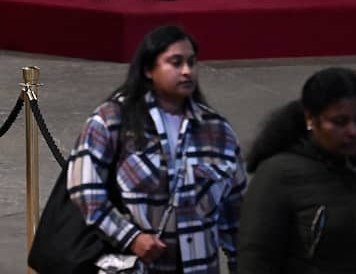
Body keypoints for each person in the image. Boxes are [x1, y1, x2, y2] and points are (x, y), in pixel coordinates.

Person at [67, 25, 246, 274]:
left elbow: (236, 213)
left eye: (191, 62)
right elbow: (84, 189)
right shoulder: (112, 121)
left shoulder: (217, 131)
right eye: (176, 62)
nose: (187, 71)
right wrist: (130, 237)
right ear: (148, 70)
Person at [238, 67, 356, 273]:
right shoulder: (278, 175)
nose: (353, 131)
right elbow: (256, 257)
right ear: (311, 119)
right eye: (339, 121)